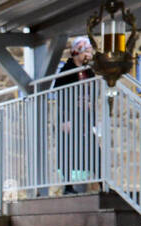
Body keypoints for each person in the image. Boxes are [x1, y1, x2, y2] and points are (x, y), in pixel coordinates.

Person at [54, 37, 96, 194]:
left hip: (84, 117)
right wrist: (65, 119)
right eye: (86, 51)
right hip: (70, 117)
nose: (89, 54)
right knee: (68, 150)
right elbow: (60, 94)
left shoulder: (88, 71)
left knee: (93, 149)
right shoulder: (67, 70)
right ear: (77, 52)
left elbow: (93, 90)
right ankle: (68, 185)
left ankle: (102, 182)